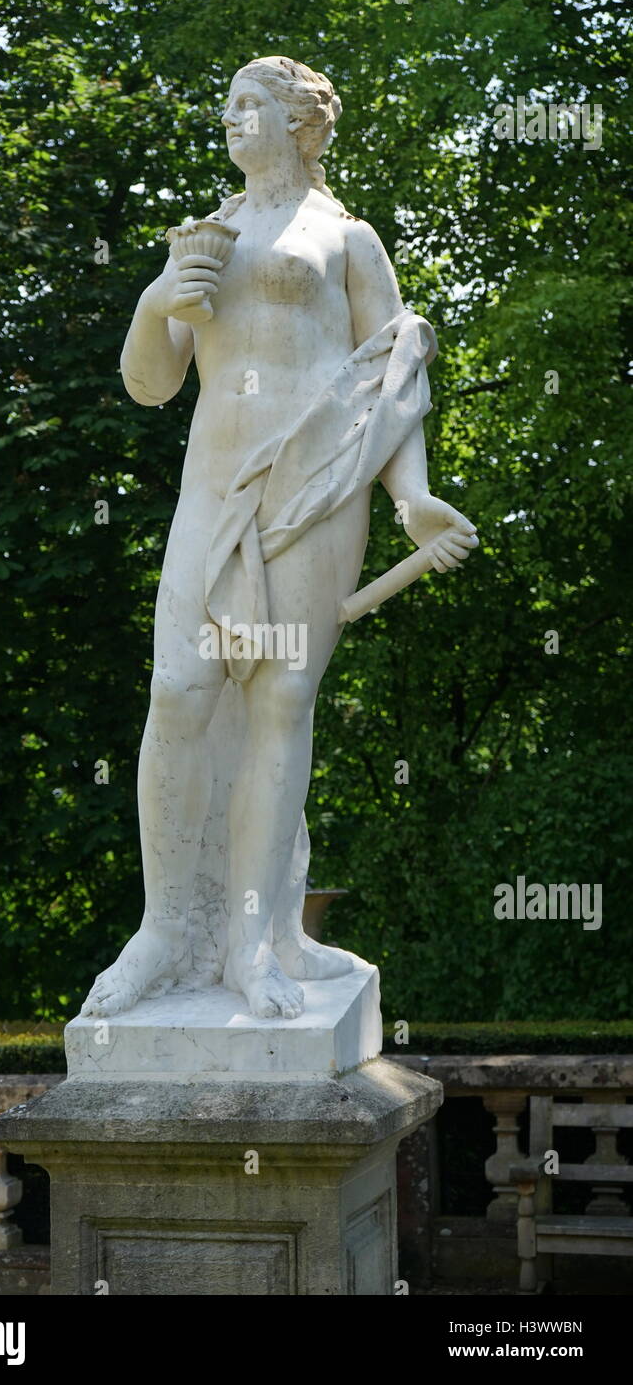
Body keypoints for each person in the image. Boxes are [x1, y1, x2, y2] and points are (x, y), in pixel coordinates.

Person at [81, 56, 477, 1021]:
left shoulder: (345, 239)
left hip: (314, 490)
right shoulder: (204, 238)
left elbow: (393, 373)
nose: (231, 120)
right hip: (214, 487)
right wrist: (153, 303)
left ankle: (255, 942)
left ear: (302, 125)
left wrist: (414, 495)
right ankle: (168, 929)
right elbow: (149, 383)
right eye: (225, 106)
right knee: (177, 692)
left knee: (278, 699)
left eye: (249, 105)